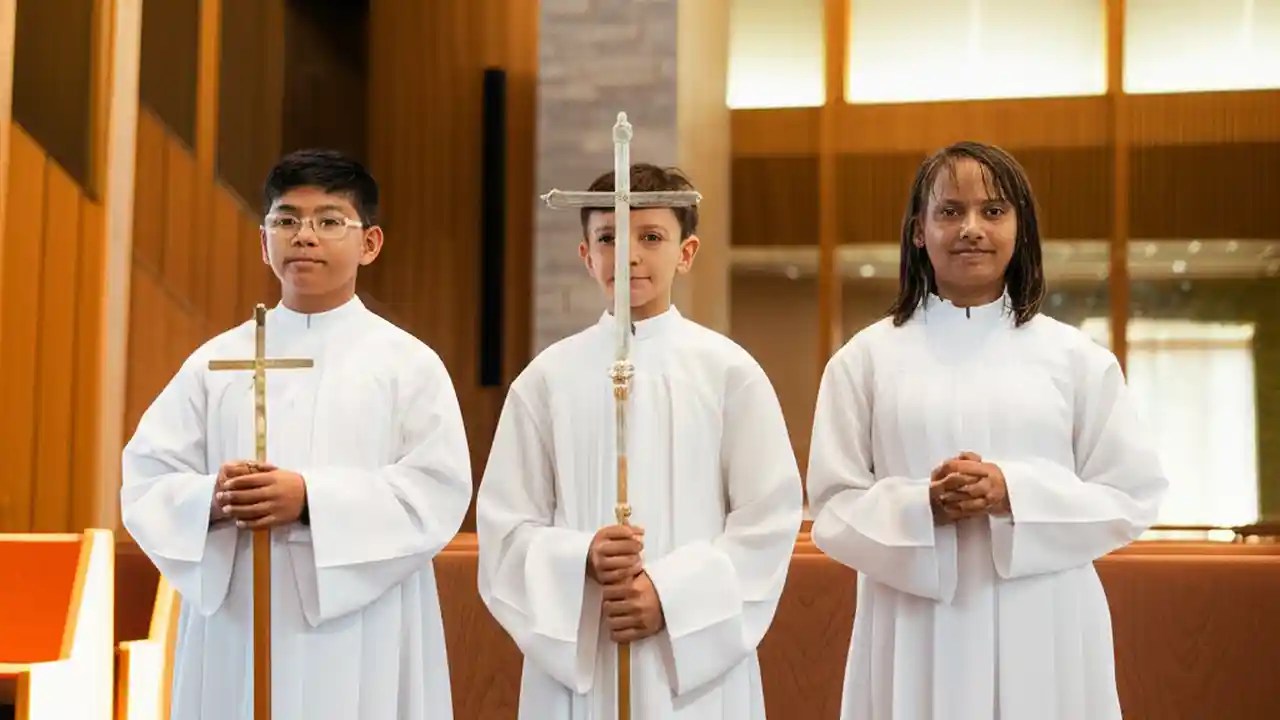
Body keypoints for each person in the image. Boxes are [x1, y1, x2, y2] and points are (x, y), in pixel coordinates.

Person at [806, 141, 1168, 720]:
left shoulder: (1075, 358)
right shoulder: (864, 360)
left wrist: (1011, 493)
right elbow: (830, 507)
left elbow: (1132, 495)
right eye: (950, 211)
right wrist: (923, 505)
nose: (971, 228)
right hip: (914, 623)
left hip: (1045, 620)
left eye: (993, 211)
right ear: (919, 232)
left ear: (1020, 229)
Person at [121, 149, 471, 720]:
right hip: (240, 618)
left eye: (329, 221)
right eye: (286, 220)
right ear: (264, 243)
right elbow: (147, 479)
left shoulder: (407, 363)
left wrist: (310, 499)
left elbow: (437, 489)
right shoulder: (216, 362)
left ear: (370, 243)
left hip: (363, 626)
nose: (304, 236)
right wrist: (211, 497)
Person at [476, 163, 803, 719]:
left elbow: (767, 518)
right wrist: (582, 558)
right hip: (589, 646)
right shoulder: (546, 379)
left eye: (651, 237)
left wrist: (671, 598)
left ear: (687, 251)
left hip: (692, 665)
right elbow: (506, 526)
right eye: (608, 237)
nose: (628, 255)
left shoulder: (727, 372)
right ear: (585, 254)